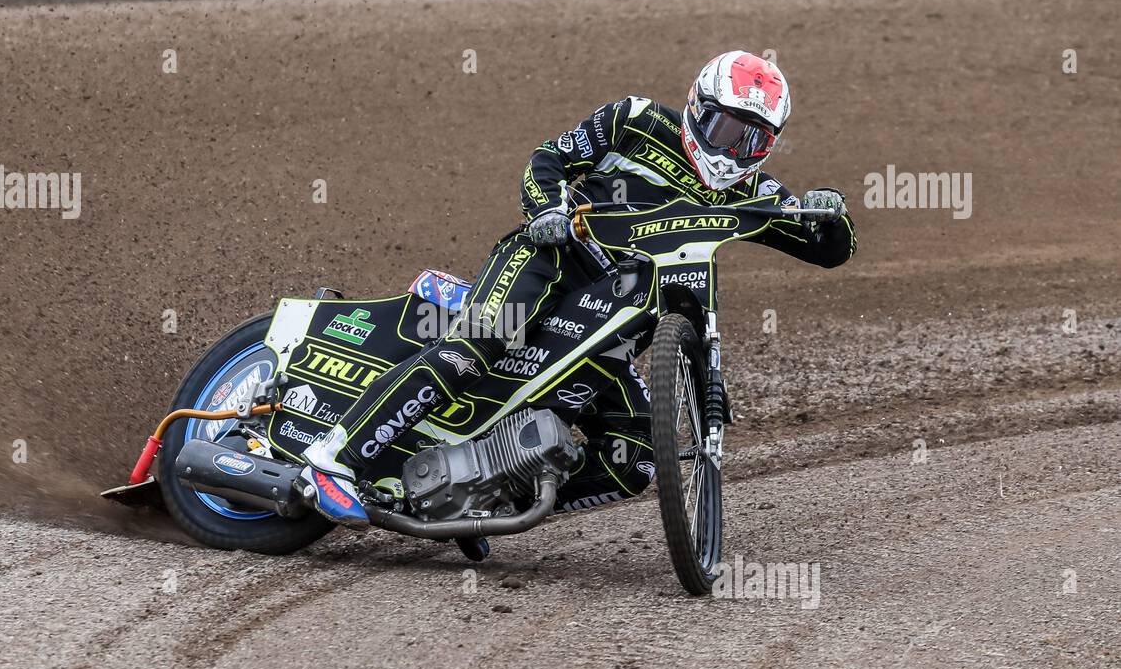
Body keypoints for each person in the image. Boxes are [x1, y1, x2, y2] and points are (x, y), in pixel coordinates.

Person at [303, 50, 856, 523]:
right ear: (697, 107)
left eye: (754, 140)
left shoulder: (753, 191)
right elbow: (548, 160)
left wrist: (830, 213)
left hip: (613, 325)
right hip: (551, 260)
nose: (735, 150)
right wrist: (547, 211)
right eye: (726, 130)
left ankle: (488, 499)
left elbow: (831, 249)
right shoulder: (635, 121)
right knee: (475, 346)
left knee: (636, 457)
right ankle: (336, 459)